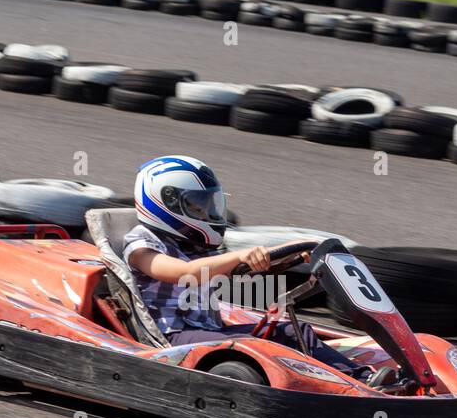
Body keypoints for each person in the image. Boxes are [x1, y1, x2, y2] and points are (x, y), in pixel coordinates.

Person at [122, 155, 363, 376]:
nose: (207, 212)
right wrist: (241, 256)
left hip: (206, 328)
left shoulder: (192, 245)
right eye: (197, 205)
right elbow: (186, 274)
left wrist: (290, 256)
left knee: (293, 331)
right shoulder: (141, 245)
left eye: (209, 205)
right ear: (167, 202)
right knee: (254, 347)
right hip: (173, 337)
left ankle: (364, 380)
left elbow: (229, 272)